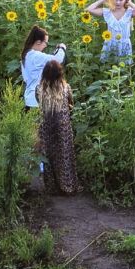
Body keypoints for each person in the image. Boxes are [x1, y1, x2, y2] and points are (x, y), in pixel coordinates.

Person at [36, 61, 80, 196]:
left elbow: (39, 103)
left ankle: (51, 188)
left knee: (48, 156)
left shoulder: (39, 89)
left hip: (46, 127)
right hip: (63, 127)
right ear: (60, 73)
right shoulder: (66, 88)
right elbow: (70, 104)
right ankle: (68, 187)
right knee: (65, 156)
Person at [85, 0, 135, 64]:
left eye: (121, 0)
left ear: (125, 0)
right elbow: (90, 9)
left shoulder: (129, 12)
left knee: (124, 69)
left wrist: (130, 3)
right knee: (108, 67)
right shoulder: (107, 12)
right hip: (110, 44)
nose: (118, 2)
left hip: (124, 45)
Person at [20, 26, 66, 108]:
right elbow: (58, 59)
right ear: (38, 42)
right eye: (46, 43)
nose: (46, 46)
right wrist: (62, 47)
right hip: (37, 99)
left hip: (29, 99)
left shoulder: (27, 55)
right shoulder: (35, 56)